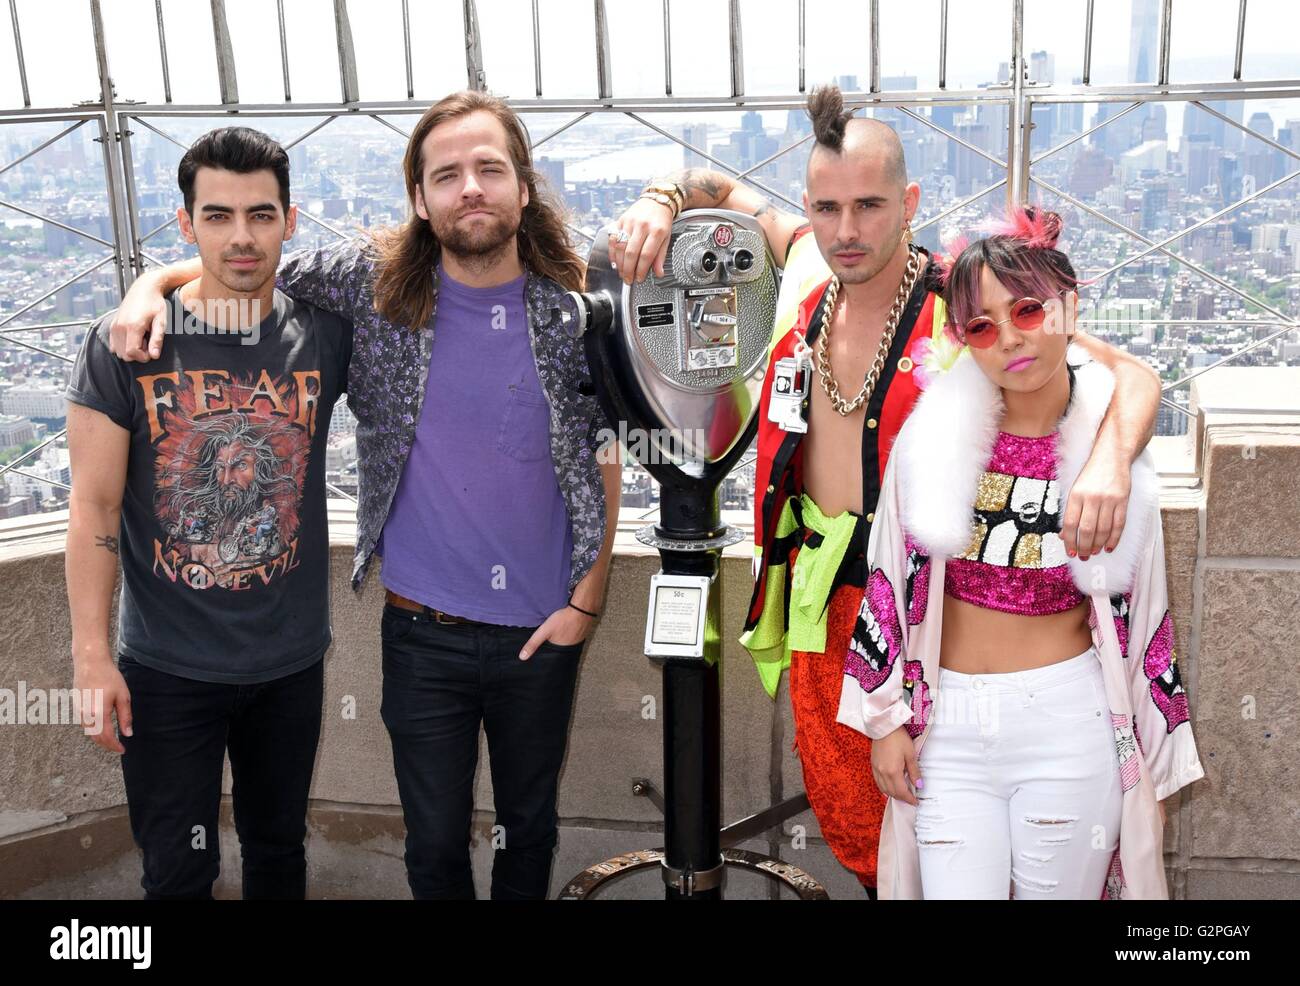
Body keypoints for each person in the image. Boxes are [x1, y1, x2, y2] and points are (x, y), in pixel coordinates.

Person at [610, 85, 1163, 894]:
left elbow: (1131, 375)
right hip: (820, 611)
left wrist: (1109, 463)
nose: (847, 230)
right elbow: (714, 186)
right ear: (808, 208)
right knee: (864, 843)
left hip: (923, 621)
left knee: (943, 844)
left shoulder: (963, 305)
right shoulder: (806, 263)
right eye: (827, 207)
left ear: (908, 203)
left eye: (869, 205)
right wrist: (661, 200)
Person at [107, 91, 620, 900]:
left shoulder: (577, 311)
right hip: (420, 632)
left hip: (540, 627)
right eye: (445, 174)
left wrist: (585, 602)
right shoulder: (375, 289)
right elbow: (242, 262)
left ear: (524, 186)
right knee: (433, 845)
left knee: (530, 829)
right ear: (419, 198)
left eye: (490, 168)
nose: (470, 188)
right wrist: (148, 286)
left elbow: (605, 453)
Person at [837, 207, 1204, 898]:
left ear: (1067, 309)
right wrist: (885, 722)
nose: (1009, 337)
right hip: (946, 726)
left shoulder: (1111, 453)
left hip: (1070, 725)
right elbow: (887, 582)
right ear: (963, 340)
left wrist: (1151, 774)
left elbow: (1146, 624)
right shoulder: (935, 438)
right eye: (981, 325)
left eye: (1027, 310)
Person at [66, 126, 351, 899]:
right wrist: (91, 657)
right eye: (217, 216)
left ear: (290, 221)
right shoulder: (126, 344)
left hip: (289, 661)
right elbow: (93, 506)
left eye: (261, 214)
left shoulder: (322, 333)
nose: (242, 236)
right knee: (177, 872)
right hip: (166, 667)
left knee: (279, 854)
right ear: (186, 224)